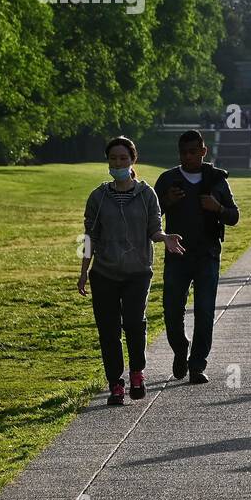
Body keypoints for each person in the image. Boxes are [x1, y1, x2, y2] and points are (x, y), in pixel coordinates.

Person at [79, 136, 185, 406]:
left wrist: (165, 238)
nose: (118, 163)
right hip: (104, 274)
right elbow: (89, 237)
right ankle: (115, 383)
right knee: (109, 330)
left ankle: (137, 373)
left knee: (135, 324)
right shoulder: (98, 197)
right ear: (108, 161)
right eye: (113, 158)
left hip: (137, 272)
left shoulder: (146, 194)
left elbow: (154, 228)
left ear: (132, 160)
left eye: (123, 158)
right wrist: (83, 271)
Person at [154, 130, 240, 385]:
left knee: (204, 311)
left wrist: (219, 208)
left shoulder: (217, 181)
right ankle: (181, 348)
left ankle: (197, 364)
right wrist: (166, 201)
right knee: (171, 310)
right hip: (177, 255)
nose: (188, 157)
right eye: (183, 153)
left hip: (208, 255)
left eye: (193, 152)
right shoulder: (168, 179)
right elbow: (150, 216)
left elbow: (234, 216)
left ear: (204, 151)